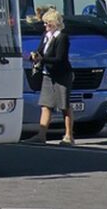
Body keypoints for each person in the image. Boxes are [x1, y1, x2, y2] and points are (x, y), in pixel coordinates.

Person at [24, 9, 75, 146]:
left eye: (48, 23)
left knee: (64, 106)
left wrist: (42, 59)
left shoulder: (62, 37)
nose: (45, 25)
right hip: (48, 75)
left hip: (61, 75)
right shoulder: (46, 36)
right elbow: (40, 51)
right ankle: (41, 135)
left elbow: (60, 58)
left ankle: (69, 136)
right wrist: (34, 56)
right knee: (45, 105)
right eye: (44, 23)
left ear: (55, 23)